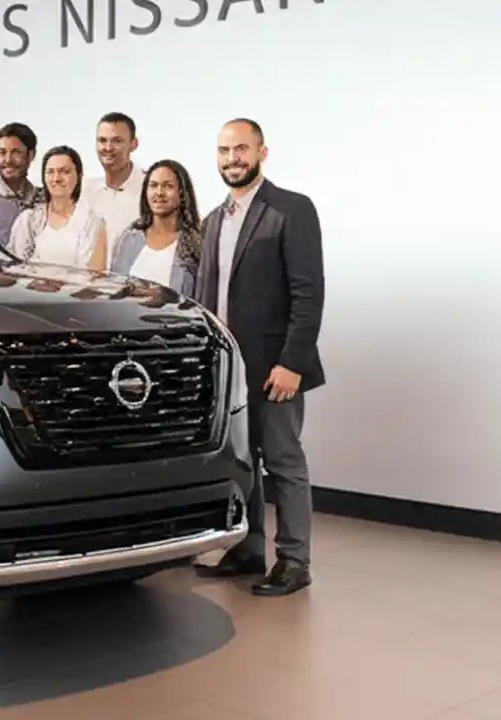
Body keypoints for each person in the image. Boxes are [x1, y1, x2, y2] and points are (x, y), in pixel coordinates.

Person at [192, 118, 325, 597]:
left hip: (276, 368)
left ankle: (294, 560)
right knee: (242, 463)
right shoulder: (212, 221)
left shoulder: (291, 209)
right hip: (231, 372)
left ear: (262, 152)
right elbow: (209, 302)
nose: (233, 158)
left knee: (284, 463)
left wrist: (293, 362)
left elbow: (309, 294)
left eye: (242, 149)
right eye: (225, 150)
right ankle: (248, 549)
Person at [109, 159, 202, 296]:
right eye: (153, 185)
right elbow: (113, 289)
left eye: (168, 186)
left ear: (181, 194)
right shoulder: (129, 238)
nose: (159, 192)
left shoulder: (194, 245)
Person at [6, 146, 107, 270]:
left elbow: (95, 277)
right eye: (50, 172)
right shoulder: (28, 220)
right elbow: (14, 268)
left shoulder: (93, 223)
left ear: (79, 176)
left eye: (65, 171)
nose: (57, 178)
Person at [82, 112, 147, 265]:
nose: (108, 148)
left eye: (117, 141)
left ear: (134, 144)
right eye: (102, 141)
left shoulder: (151, 191)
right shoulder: (85, 191)